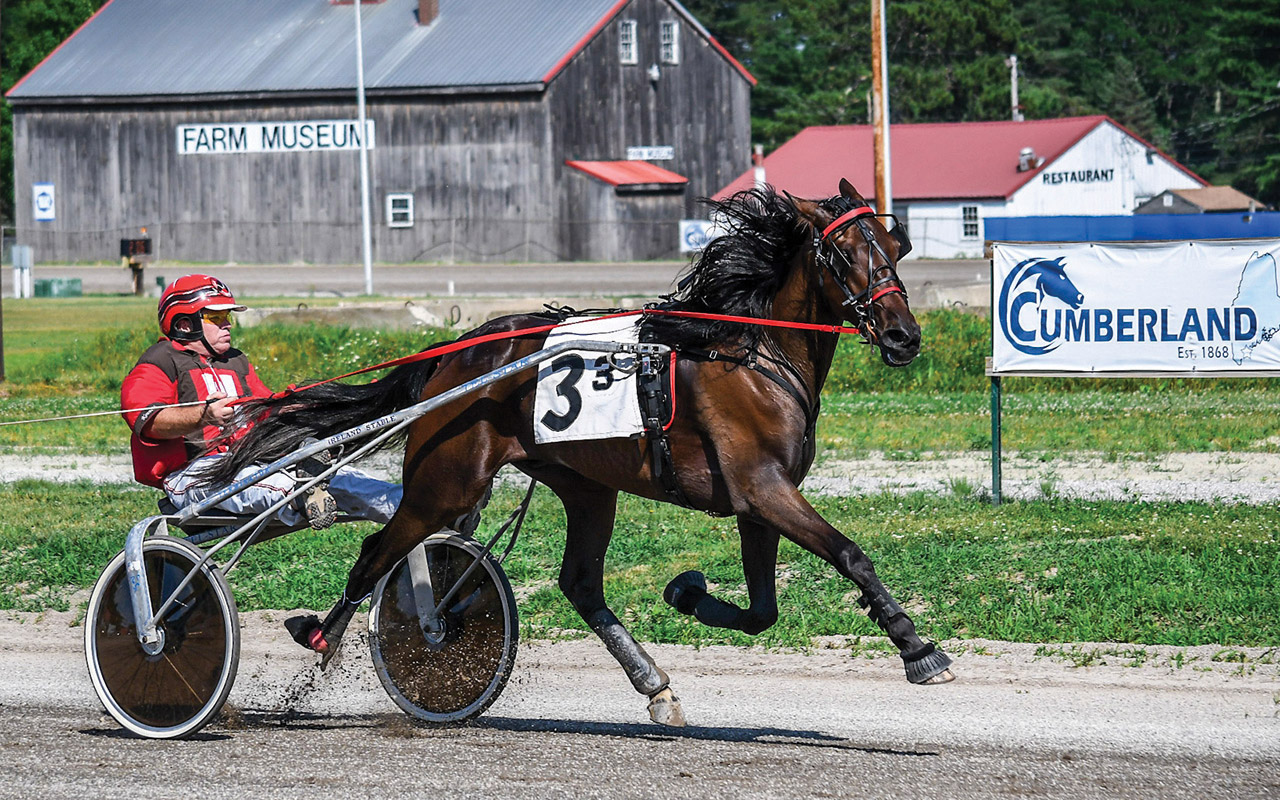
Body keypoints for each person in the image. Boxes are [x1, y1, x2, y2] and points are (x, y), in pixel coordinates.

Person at [121, 274, 401, 528]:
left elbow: (265, 408)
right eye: (216, 318)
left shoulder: (236, 361)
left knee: (349, 480)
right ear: (184, 324)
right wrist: (203, 415)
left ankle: (411, 507)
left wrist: (336, 403)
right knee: (267, 481)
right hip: (192, 473)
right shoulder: (159, 361)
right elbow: (146, 420)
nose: (228, 324)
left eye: (228, 316)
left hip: (248, 460)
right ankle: (301, 493)